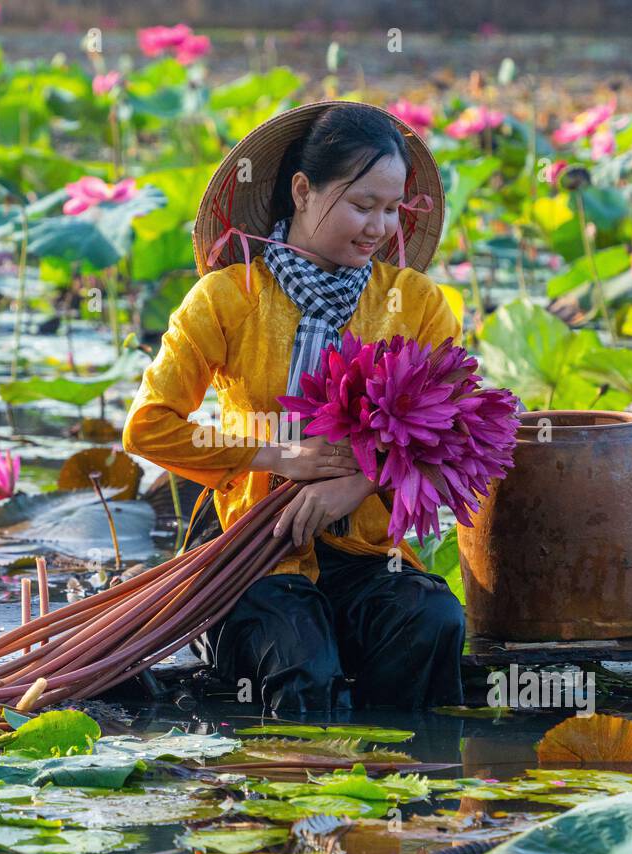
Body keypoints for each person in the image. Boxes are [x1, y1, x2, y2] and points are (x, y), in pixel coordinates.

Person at [122, 101, 466, 717]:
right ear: (303, 191)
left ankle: (401, 797)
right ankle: (292, 803)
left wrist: (358, 481)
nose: (380, 228)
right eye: (363, 206)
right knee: (301, 665)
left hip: (366, 550)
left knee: (431, 620)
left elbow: (459, 432)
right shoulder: (228, 297)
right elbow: (149, 427)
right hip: (248, 547)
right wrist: (284, 456)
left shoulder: (415, 302)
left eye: (393, 210)